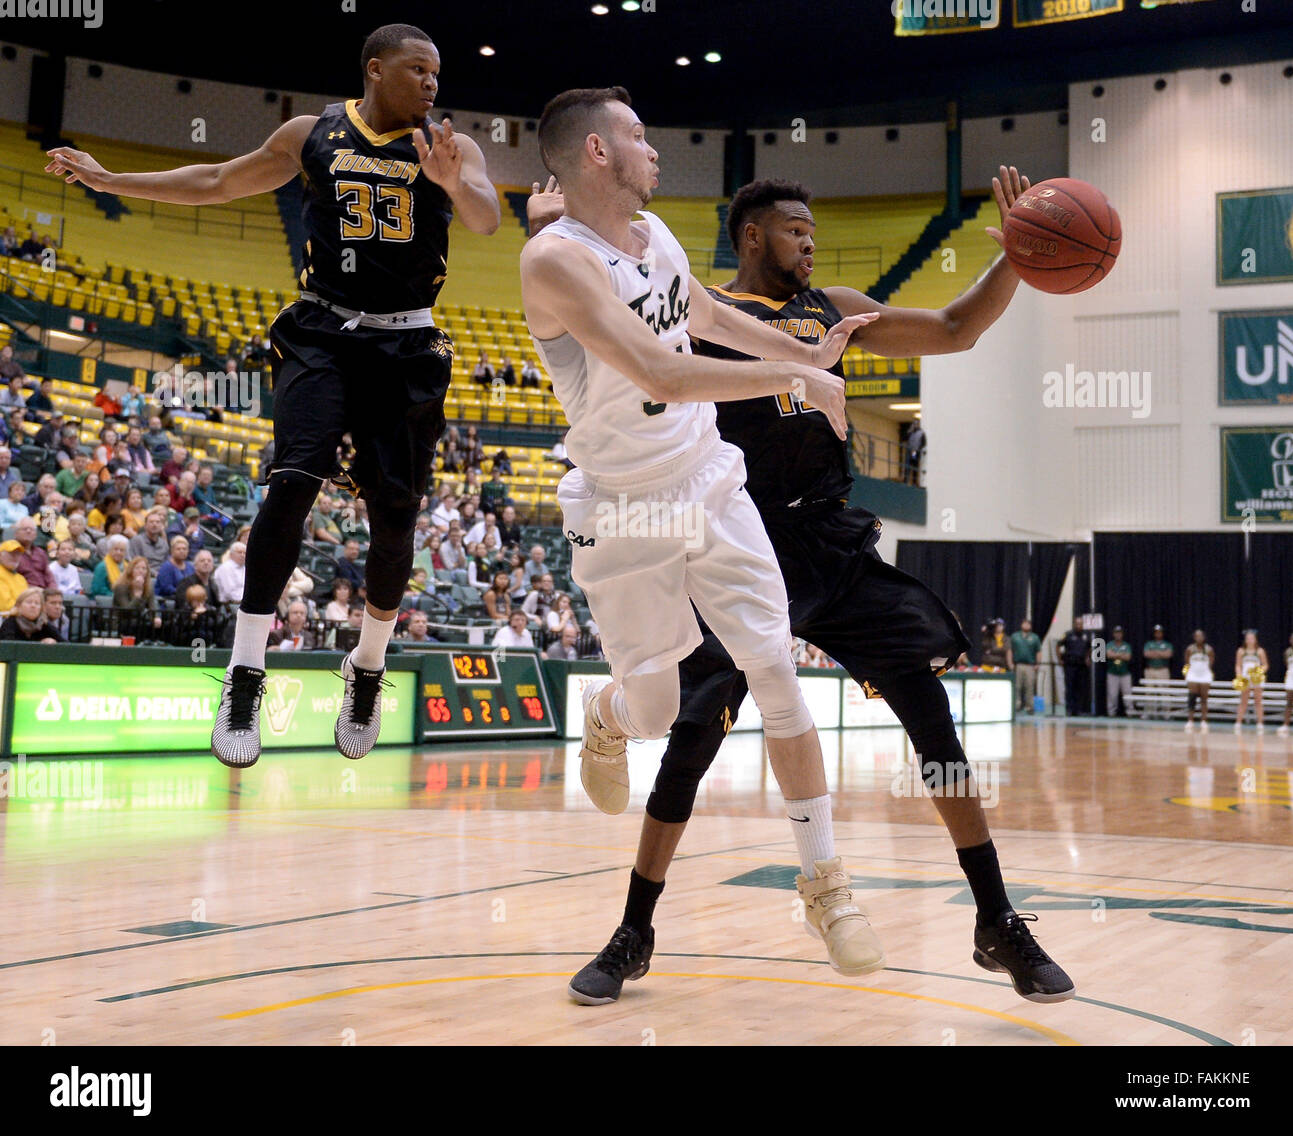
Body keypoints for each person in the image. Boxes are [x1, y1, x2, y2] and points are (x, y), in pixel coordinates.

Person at [528, 159, 1074, 1004]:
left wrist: (1021, 253)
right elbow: (635, 358)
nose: (811, 243)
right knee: (687, 744)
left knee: (936, 726)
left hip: (829, 540)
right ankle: (634, 929)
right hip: (739, 530)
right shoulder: (701, 311)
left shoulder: (839, 313)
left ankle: (998, 922)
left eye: (814, 231)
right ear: (753, 237)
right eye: (795, 230)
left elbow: (959, 327)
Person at [522, 88, 899, 985]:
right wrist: (793, 382)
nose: (656, 151)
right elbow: (659, 367)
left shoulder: (656, 239)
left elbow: (706, 319)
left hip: (708, 478)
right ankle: (606, 718)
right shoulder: (555, 262)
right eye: (640, 137)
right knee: (656, 708)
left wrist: (800, 353)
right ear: (597, 155)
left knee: (774, 670)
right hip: (623, 505)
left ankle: (828, 887)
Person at [50, 21, 501, 766]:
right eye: (418, 71)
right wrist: (111, 180)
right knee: (292, 484)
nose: (431, 85)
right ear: (376, 69)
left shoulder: (451, 146)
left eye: (438, 74)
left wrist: (456, 181)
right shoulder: (311, 133)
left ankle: (366, 667)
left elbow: (484, 218)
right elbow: (219, 180)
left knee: (395, 520)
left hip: (409, 343)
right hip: (322, 331)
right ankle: (244, 673)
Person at [1233, 629, 1268, 735]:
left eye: (1252, 638)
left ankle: (1260, 723)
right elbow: (1238, 665)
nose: (1250, 640)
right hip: (1245, 678)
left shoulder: (1260, 651)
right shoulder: (1241, 651)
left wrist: (1259, 672)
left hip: (1256, 678)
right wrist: (1239, 676)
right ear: (1245, 640)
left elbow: (1265, 665)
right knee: (1243, 701)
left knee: (1258, 700)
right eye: (1248, 638)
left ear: (1255, 639)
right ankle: (1238, 723)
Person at [1058, 616, 1091, 717]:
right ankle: (1069, 710)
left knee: (1080, 688)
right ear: (1074, 624)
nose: (1079, 625)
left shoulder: (1086, 635)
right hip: (1070, 665)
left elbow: (1089, 648)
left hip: (1081, 665)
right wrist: (1059, 659)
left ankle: (1078, 710)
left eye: (1080, 624)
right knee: (1069, 688)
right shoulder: (1067, 634)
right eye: (1077, 623)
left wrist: (1087, 658)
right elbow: (1058, 645)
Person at [12, 516, 55, 589]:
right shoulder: (11, 552)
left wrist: (52, 591)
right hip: (22, 593)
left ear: (35, 534)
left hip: (43, 594)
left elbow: (49, 577)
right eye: (24, 529)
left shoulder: (41, 553)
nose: (28, 531)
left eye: (31, 529)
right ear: (16, 533)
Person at [1141, 624, 1174, 719]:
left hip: (1162, 670)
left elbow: (1168, 655)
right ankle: (1150, 712)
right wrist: (1160, 653)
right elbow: (1146, 654)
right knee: (1149, 692)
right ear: (1154, 633)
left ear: (1162, 633)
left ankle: (1166, 713)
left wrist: (1155, 652)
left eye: (1160, 632)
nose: (1158, 634)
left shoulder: (1167, 644)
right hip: (1150, 670)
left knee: (1164, 692)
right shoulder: (1149, 644)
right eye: (1156, 632)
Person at [1010, 617, 1040, 715]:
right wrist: (1010, 663)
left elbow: (1038, 652)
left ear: (1030, 626)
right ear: (1021, 625)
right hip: (1018, 664)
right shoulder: (1015, 636)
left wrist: (1038, 663)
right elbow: (1010, 650)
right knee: (1017, 686)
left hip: (1030, 665)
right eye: (1024, 623)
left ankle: (1029, 707)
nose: (1026, 625)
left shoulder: (1035, 637)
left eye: (1028, 624)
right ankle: (1017, 705)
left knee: (1029, 686)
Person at [1106, 626, 1133, 717]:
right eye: (1116, 632)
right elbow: (1108, 655)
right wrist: (1121, 654)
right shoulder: (1109, 644)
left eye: (1120, 633)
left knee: (1127, 694)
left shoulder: (1126, 645)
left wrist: (1115, 655)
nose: (1118, 634)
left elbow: (1128, 657)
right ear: (1114, 634)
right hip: (1112, 673)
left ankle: (1130, 712)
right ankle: (1111, 713)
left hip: (1125, 674)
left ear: (1122, 634)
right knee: (1112, 694)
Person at [154, 535, 193, 599]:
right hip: (168, 600)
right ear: (172, 551)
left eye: (184, 549)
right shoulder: (166, 567)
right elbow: (167, 588)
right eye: (178, 549)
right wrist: (186, 593)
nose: (182, 551)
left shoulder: (190, 567)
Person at [0, 540, 31, 613]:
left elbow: (29, 600)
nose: (15, 557)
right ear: (0, 555)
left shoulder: (21, 578)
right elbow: (5, 606)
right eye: (11, 553)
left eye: (18, 554)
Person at [1279, 631, 1293, 737]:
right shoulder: (1287, 652)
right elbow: (1287, 664)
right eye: (1292, 639)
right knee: (1289, 702)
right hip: (1291, 678)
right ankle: (1286, 725)